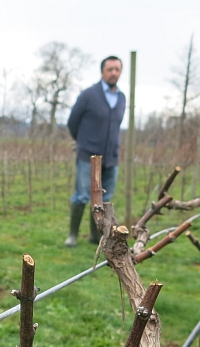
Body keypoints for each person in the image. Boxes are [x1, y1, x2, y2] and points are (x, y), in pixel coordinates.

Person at [64, 56, 126, 247]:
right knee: (82, 195)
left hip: (111, 158)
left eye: (117, 69)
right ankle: (72, 236)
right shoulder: (89, 95)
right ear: (102, 72)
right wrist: (83, 143)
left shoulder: (121, 98)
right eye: (110, 69)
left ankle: (95, 236)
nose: (113, 73)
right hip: (87, 155)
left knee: (104, 198)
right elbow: (72, 122)